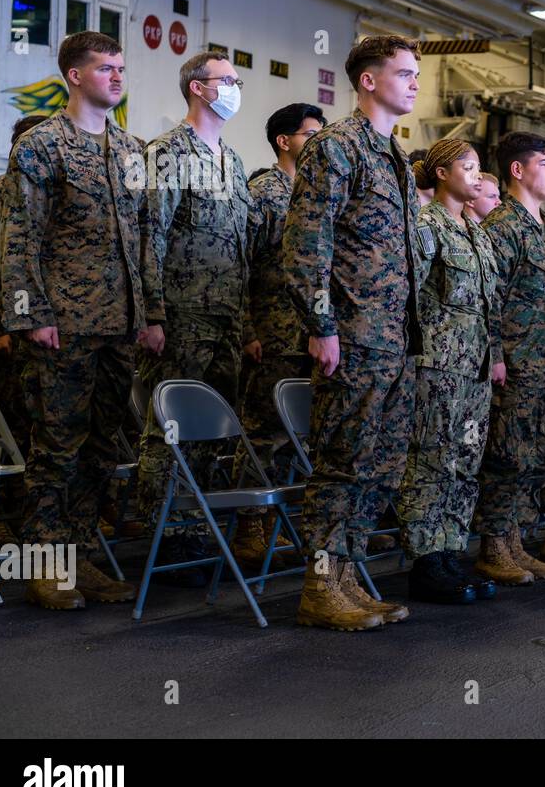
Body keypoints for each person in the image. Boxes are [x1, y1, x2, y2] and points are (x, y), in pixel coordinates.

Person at [0, 32, 158, 609]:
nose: (117, 77)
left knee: (101, 449)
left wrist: (151, 315)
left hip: (119, 326)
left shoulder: (130, 150)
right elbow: (19, 236)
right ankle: (46, 564)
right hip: (61, 324)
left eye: (121, 68)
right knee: (56, 447)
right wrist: (31, 314)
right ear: (74, 75)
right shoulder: (43, 144)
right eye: (105, 68)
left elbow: (143, 241)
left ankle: (81, 555)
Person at [282, 34, 424, 630]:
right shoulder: (337, 147)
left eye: (418, 73)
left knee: (381, 465)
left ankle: (347, 578)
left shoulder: (393, 155)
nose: (415, 82)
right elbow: (305, 243)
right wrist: (322, 326)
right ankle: (320, 584)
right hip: (355, 333)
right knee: (342, 462)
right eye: (404, 72)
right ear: (368, 80)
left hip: (396, 336)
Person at [136, 50, 252, 584]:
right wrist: (151, 315)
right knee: (172, 428)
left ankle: (197, 529)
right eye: (227, 79)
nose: (235, 87)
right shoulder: (167, 153)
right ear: (198, 89)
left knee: (213, 432)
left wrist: (246, 322)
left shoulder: (232, 160)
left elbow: (241, 247)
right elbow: (150, 239)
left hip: (226, 317)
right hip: (182, 316)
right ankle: (163, 533)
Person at [397, 138, 500, 604]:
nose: (477, 175)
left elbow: (486, 306)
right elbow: (411, 297)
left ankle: (451, 551)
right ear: (441, 173)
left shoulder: (477, 232)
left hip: (475, 366)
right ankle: (425, 559)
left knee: (465, 461)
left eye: (480, 169)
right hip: (438, 365)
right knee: (432, 459)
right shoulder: (426, 225)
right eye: (468, 167)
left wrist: (494, 357)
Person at [475, 132, 545, 582]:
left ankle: (515, 539)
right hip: (513, 364)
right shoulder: (503, 226)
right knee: (508, 457)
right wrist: (495, 354)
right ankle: (495, 546)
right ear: (518, 170)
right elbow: (488, 299)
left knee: (540, 456)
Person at [230, 103, 325, 567]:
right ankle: (250, 526)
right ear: (284, 141)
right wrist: (247, 329)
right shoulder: (266, 192)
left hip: (310, 333)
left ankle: (285, 523)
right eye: (311, 135)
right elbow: (239, 264)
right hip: (272, 334)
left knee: (301, 437)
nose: (319, 143)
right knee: (264, 433)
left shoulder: (316, 192)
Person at [0, 114, 48, 535]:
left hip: (35, 334)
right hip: (0, 334)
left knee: (28, 424)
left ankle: (18, 511)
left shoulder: (42, 197)